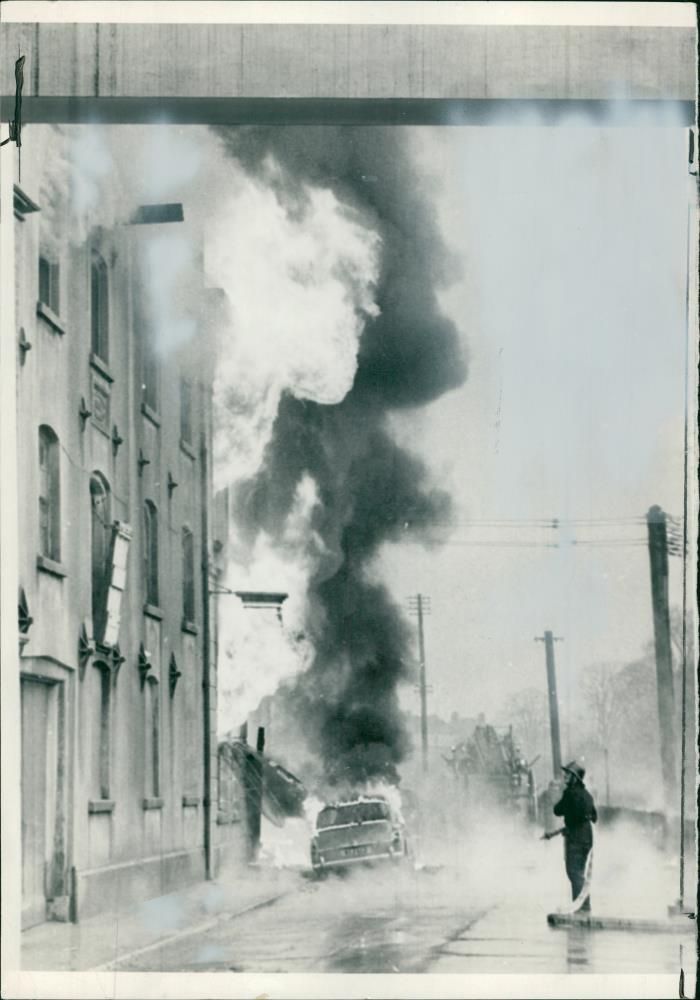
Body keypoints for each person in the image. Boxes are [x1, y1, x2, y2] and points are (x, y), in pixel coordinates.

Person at [553, 760, 597, 912]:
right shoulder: (587, 795)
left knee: (574, 872)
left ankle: (581, 908)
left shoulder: (570, 793)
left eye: (568, 775)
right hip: (587, 837)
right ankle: (584, 905)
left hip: (575, 838)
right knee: (580, 872)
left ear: (574, 778)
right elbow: (594, 817)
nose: (565, 777)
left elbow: (557, 810)